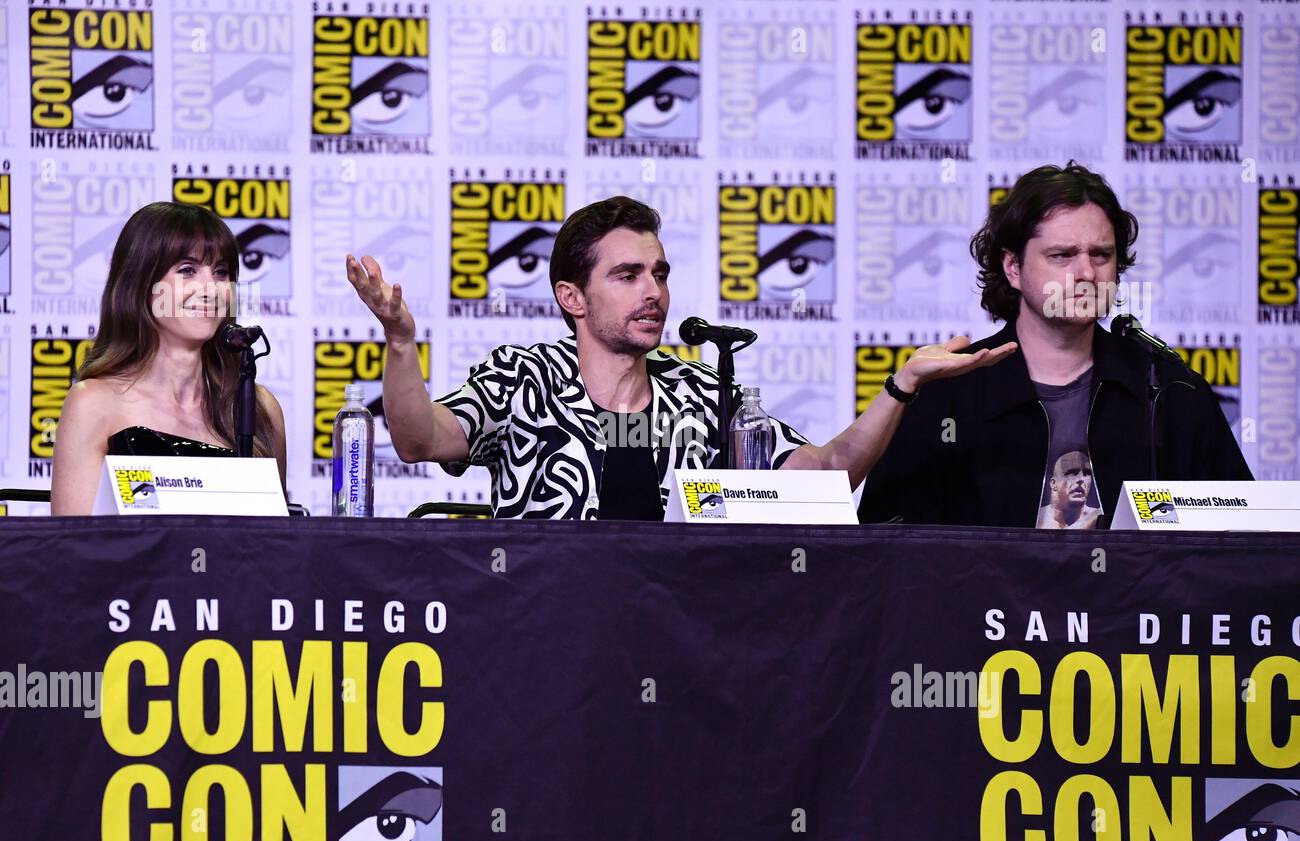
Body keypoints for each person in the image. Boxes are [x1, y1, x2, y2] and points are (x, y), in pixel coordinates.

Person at [347, 195, 1015, 520]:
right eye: (628, 275)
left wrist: (901, 384)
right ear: (572, 298)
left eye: (660, 273)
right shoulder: (525, 379)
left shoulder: (700, 393)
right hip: (545, 648)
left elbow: (828, 475)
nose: (654, 292)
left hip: (686, 656)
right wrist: (401, 342)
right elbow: (417, 439)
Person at [858, 160, 1252, 528]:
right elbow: (888, 553)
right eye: (1062, 256)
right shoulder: (946, 393)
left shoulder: (1168, 391)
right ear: (1013, 268)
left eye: (1101, 255)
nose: (1086, 273)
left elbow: (1241, 544)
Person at [50, 201, 287, 515]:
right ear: (142, 285)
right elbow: (73, 551)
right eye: (187, 270)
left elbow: (277, 546)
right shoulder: (93, 403)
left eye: (221, 272)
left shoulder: (258, 407)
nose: (211, 289)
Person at [1037, 450, 1103, 529]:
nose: (1081, 479)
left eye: (1086, 473)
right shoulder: (1038, 518)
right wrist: (1085, 524)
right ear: (1053, 484)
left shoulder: (1098, 517)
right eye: (1072, 473)